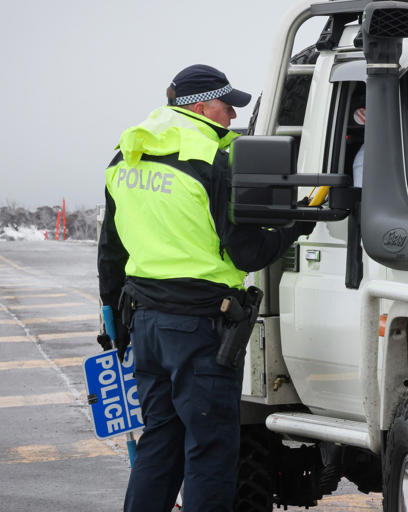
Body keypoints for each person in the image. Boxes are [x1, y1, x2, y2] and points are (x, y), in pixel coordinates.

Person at [97, 64, 314, 512]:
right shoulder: (216, 159)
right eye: (226, 106)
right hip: (201, 327)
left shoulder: (127, 153)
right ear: (200, 106)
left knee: (161, 440)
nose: (232, 117)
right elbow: (247, 255)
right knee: (211, 449)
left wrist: (114, 321)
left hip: (145, 322)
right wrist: (295, 224)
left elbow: (111, 250)